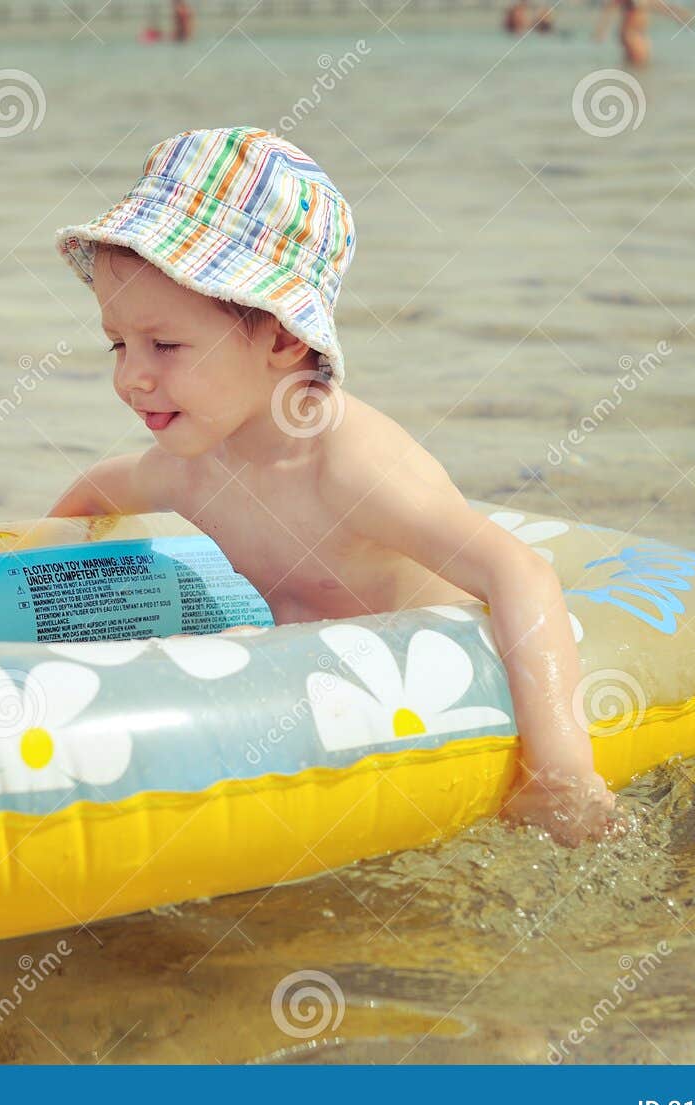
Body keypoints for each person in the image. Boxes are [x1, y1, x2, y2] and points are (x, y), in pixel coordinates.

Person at [46, 128, 617, 846]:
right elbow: (99, 489)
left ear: (285, 340)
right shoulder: (194, 467)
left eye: (165, 346)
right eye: (118, 344)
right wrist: (27, 562)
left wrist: (561, 773)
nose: (131, 376)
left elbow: (520, 572)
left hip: (446, 685)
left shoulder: (349, 469)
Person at [593, 0, 689, 67]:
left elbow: (659, 6)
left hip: (641, 34)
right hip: (630, 33)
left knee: (636, 67)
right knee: (640, 66)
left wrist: (678, 15)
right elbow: (610, 7)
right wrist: (601, 30)